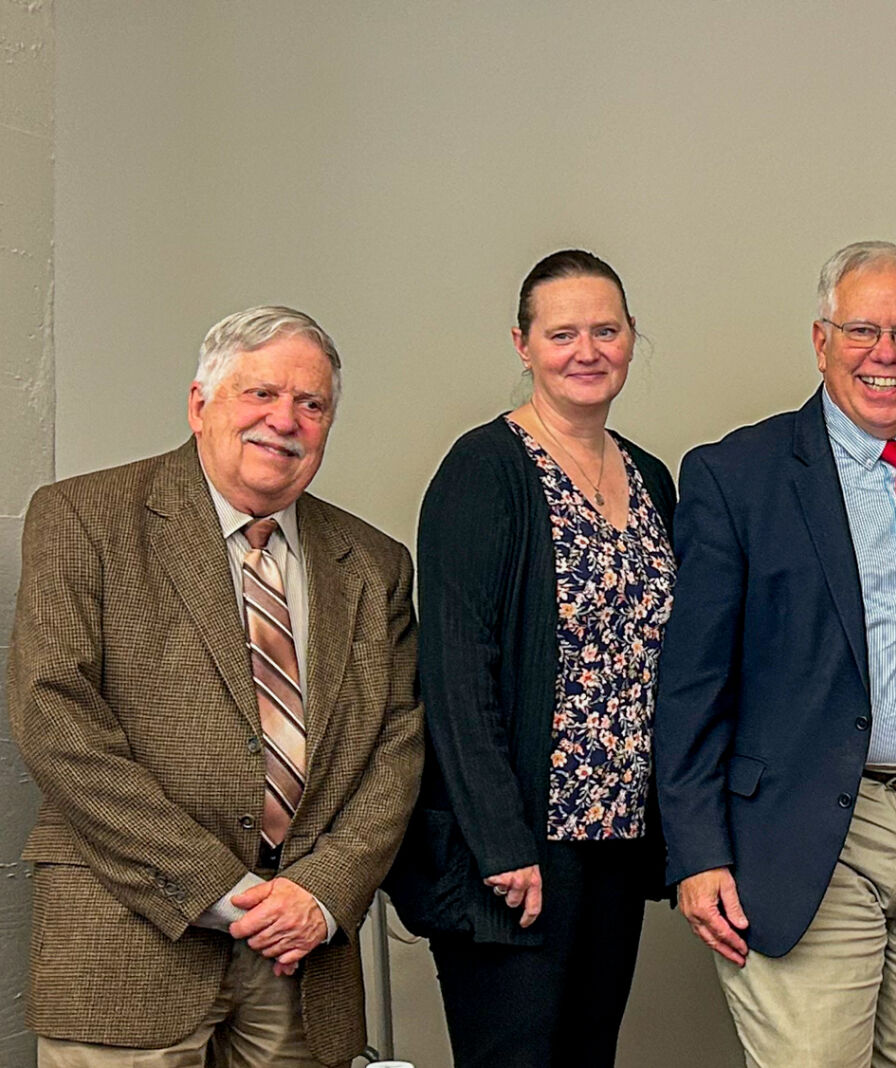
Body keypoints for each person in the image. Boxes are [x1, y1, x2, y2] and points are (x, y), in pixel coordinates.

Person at [8, 306, 424, 1067]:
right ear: (200, 405)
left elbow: (397, 746)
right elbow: (54, 719)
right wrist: (217, 888)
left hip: (302, 961)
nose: (285, 422)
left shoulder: (375, 562)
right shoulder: (83, 518)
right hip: (128, 944)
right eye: (260, 394)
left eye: (312, 404)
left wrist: (323, 894)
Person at [655, 240, 896, 1067]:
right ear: (820, 342)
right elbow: (690, 683)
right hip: (808, 830)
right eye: (861, 330)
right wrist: (698, 851)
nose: (885, 355)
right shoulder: (738, 475)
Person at [382, 250, 676, 1067]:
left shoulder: (650, 477)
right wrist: (502, 845)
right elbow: (454, 674)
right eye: (563, 332)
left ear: (629, 340)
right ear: (523, 344)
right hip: (515, 852)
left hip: (614, 843)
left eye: (607, 330)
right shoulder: (486, 469)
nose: (588, 350)